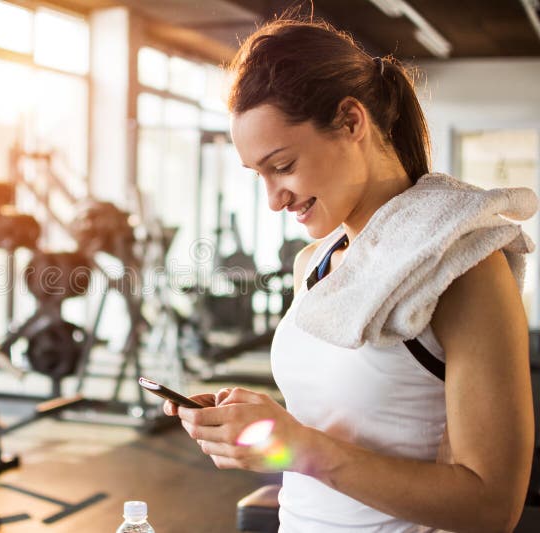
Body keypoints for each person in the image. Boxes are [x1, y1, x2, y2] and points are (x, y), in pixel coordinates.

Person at [164, 15, 535, 533]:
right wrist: (264, 426)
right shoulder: (312, 263)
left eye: (284, 165)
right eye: (260, 176)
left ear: (351, 122)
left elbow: (492, 506)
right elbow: (322, 438)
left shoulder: (463, 267)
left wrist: (299, 446)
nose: (274, 200)